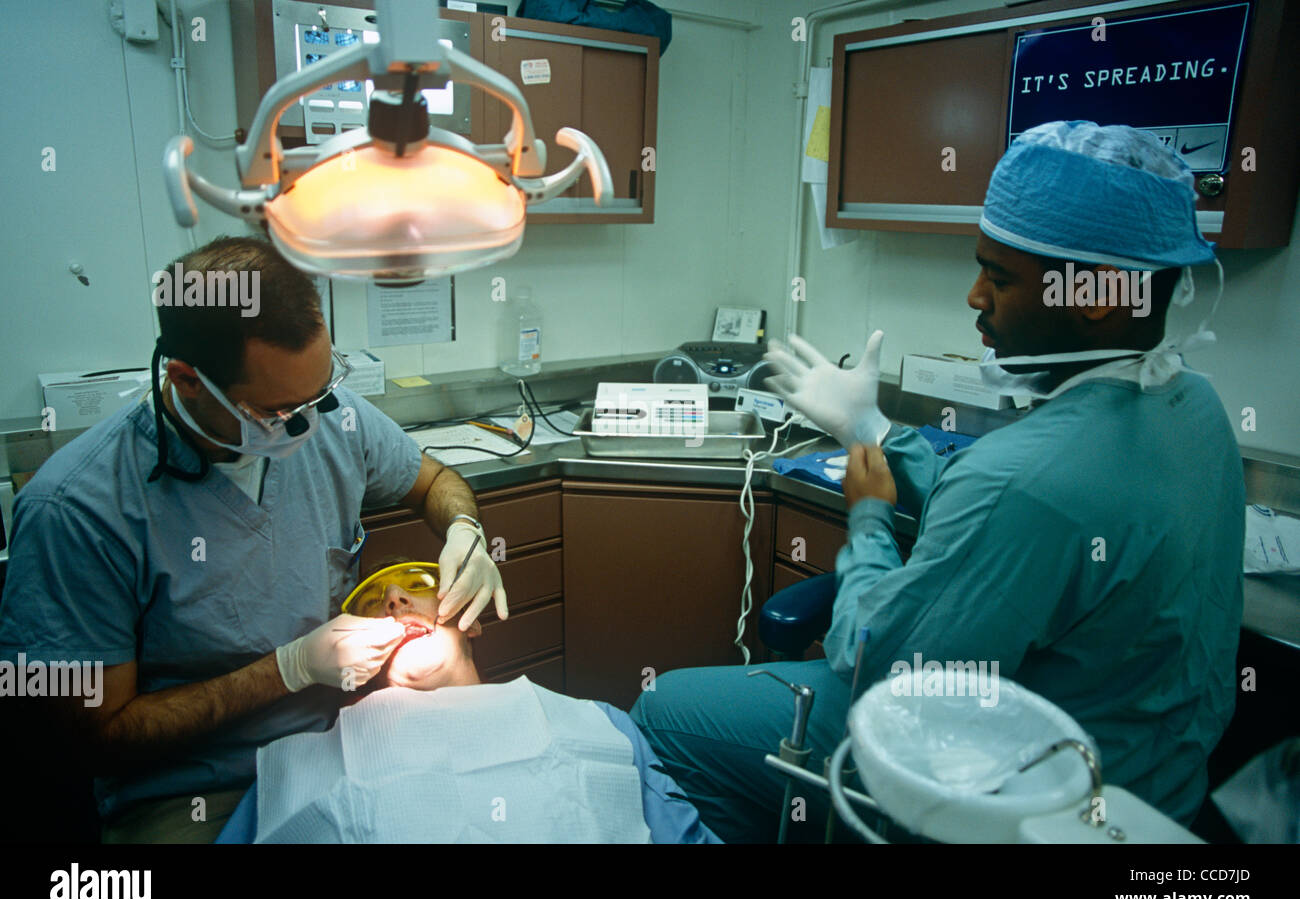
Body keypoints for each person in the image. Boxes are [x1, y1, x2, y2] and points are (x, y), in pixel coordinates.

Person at [631, 121, 1244, 842]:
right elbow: (1006, 497)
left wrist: (866, 524)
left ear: (1100, 295)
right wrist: (879, 434)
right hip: (1153, 786)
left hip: (1009, 791)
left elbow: (875, 667)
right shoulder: (1194, 406)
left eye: (1001, 276)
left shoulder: (1024, 482)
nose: (974, 296)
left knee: (664, 710)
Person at [0, 235, 507, 843]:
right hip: (197, 792)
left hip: (351, 740)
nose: (308, 423)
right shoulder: (77, 510)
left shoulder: (332, 419)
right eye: (279, 410)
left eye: (318, 395)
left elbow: (434, 482)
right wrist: (289, 670)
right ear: (189, 381)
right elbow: (102, 736)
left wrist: (464, 529)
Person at [214, 560, 721, 843]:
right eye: (374, 604)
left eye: (418, 585)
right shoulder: (304, 763)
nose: (394, 600)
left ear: (471, 619)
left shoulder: (598, 725)